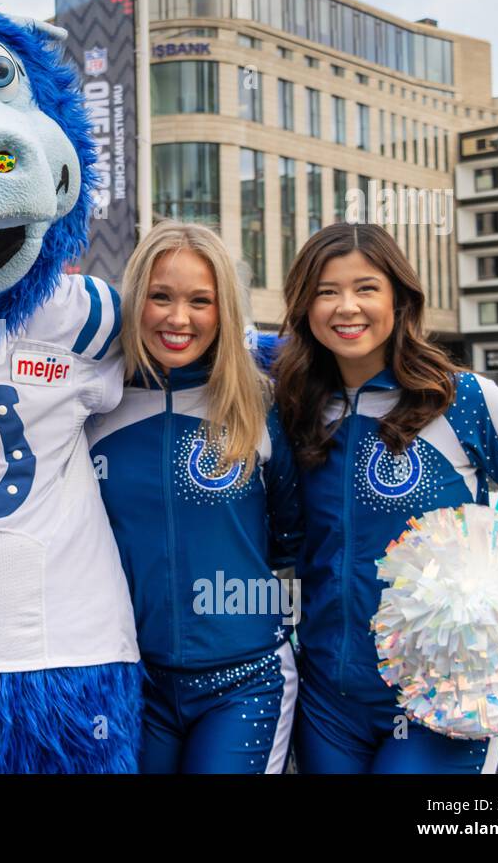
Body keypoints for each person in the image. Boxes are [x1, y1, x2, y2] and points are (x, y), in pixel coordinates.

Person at [273, 222, 498, 774]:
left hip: (444, 697)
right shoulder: (296, 404)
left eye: (366, 287)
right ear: (305, 305)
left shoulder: (460, 397)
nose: (347, 307)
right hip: (328, 700)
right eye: (328, 291)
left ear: (399, 297)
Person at [88, 222, 302, 773]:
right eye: (161, 296)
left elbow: (291, 541)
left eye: (200, 301)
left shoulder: (259, 406)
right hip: (133, 678)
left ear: (223, 309)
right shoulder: (94, 403)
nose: (178, 318)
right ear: (136, 300)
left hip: (245, 680)